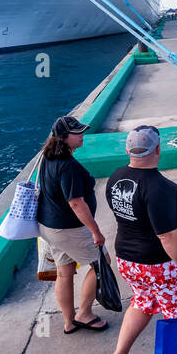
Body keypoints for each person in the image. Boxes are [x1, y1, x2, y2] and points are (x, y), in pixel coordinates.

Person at [100, 126, 177, 354]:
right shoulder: (158, 188)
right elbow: (166, 235)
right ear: (158, 149)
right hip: (158, 264)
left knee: (143, 302)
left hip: (128, 260)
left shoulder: (116, 177)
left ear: (127, 150)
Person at [37, 115, 109, 334]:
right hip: (68, 228)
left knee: (64, 271)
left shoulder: (47, 157)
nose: (82, 135)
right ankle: (84, 314)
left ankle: (69, 321)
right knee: (100, 263)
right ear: (64, 138)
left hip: (50, 227)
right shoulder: (67, 166)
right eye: (77, 133)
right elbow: (76, 203)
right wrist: (95, 231)